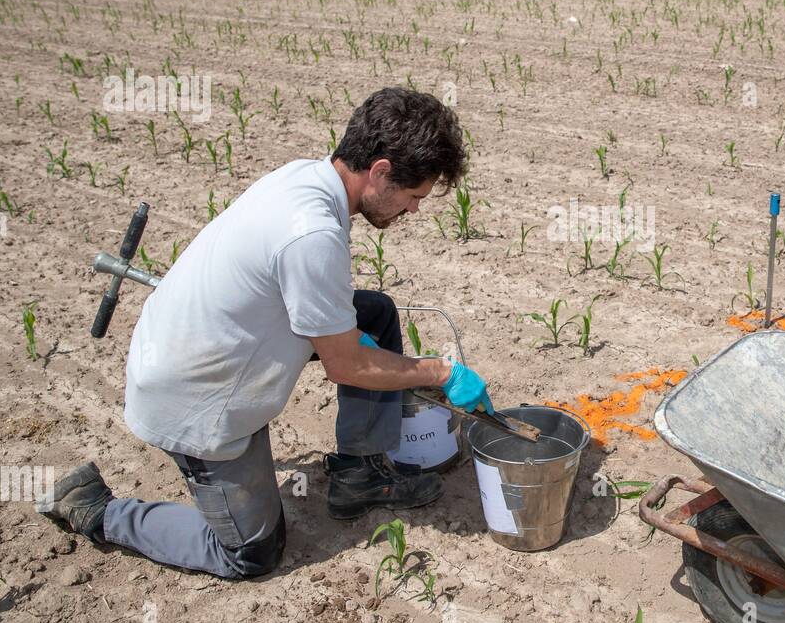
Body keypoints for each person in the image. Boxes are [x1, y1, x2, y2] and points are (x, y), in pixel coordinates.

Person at [37, 87, 495, 578]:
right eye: (413, 197)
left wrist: (351, 337)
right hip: (198, 395)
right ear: (381, 171)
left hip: (203, 344)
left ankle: (360, 474)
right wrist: (441, 371)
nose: (413, 211)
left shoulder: (307, 176)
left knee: (374, 313)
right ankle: (99, 510)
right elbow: (348, 364)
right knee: (250, 554)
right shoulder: (312, 232)